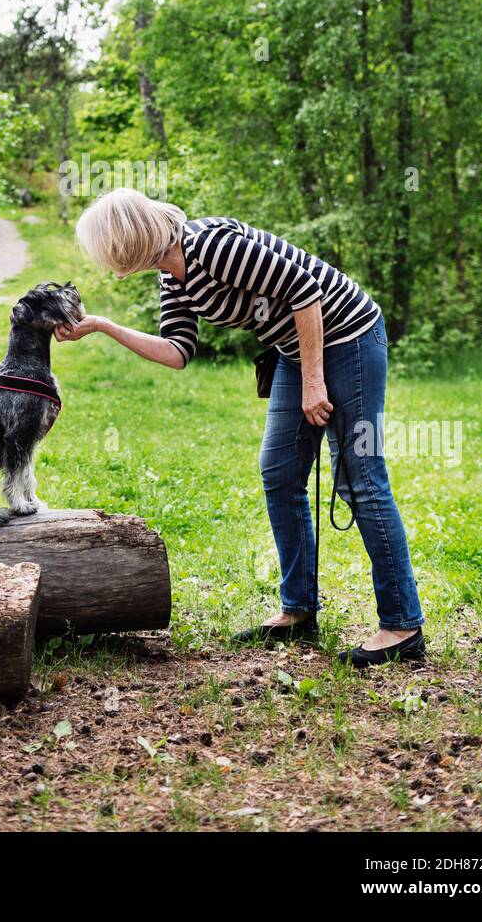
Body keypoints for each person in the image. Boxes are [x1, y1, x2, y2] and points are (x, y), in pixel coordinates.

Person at [55, 187, 424, 667]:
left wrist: (315, 381)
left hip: (349, 336)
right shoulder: (173, 278)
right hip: (294, 348)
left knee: (360, 480)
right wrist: (104, 326)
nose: (106, 259)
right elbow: (177, 352)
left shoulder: (209, 245)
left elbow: (304, 289)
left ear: (126, 237)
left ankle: (402, 625)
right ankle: (299, 611)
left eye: (106, 246)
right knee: (280, 473)